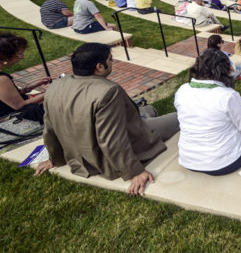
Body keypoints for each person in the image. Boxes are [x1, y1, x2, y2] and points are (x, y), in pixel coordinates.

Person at [34, 43, 179, 196]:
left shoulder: (55, 86)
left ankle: (149, 112)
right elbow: (112, 139)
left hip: (81, 147)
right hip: (107, 153)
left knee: (148, 110)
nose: (112, 62)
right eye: (110, 59)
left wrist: (55, 158)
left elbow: (50, 128)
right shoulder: (107, 91)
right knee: (179, 118)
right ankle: (150, 116)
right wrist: (135, 171)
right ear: (99, 66)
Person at [174, 49, 241, 175]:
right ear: (224, 71)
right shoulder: (227, 96)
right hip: (221, 164)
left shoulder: (182, 90)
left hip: (188, 159)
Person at [0, 33, 45, 123]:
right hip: (11, 120)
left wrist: (34, 85)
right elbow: (20, 105)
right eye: (20, 54)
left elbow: (4, 96)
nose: (23, 57)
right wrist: (51, 92)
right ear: (5, 56)